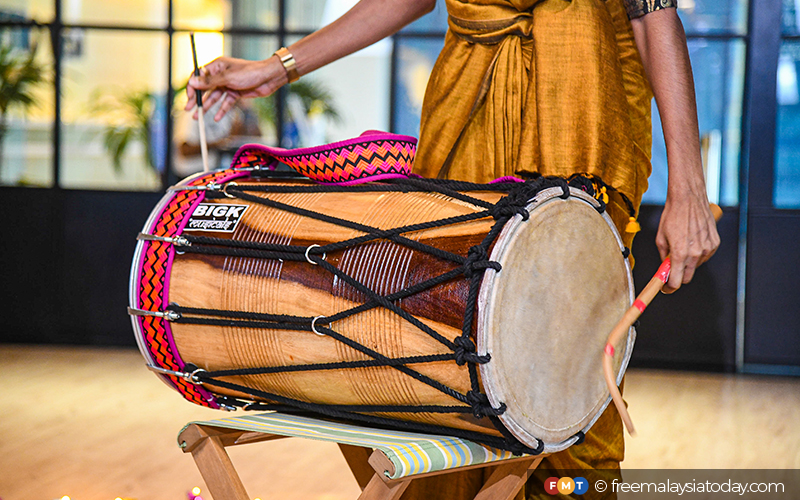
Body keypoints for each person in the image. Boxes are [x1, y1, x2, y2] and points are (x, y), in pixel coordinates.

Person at [185, 0, 720, 497]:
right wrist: (275, 68)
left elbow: (653, 9)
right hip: (466, 101)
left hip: (583, 103)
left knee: (565, 370)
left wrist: (690, 186)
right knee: (436, 339)